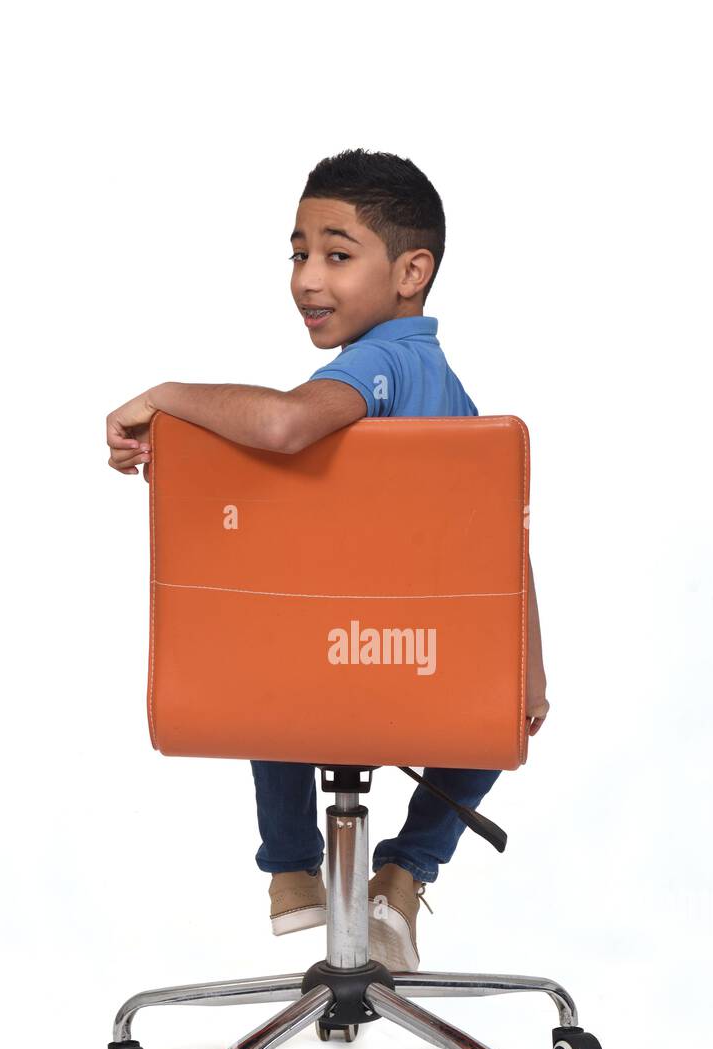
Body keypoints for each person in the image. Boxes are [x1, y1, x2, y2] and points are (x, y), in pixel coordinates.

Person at [106, 147, 549, 972]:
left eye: (338, 255)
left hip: (336, 668)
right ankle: (404, 873)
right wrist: (531, 670)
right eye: (299, 253)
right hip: (428, 670)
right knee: (486, 717)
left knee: (268, 637)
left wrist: (166, 396)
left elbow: (281, 425)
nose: (308, 278)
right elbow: (504, 547)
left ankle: (290, 867)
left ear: (411, 271)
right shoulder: (447, 389)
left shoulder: (380, 363)